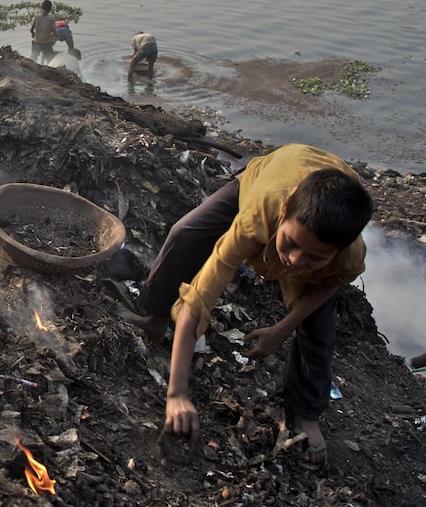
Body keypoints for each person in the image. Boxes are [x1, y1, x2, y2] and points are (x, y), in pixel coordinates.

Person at [105, 144, 374, 468]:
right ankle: (155, 319)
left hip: (322, 194)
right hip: (269, 175)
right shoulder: (258, 214)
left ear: (340, 249)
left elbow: (330, 285)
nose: (294, 259)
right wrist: (176, 394)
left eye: (315, 257)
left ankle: (307, 413)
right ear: (285, 210)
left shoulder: (348, 254)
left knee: (318, 323)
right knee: (185, 234)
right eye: (290, 244)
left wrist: (281, 329)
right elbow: (200, 298)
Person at [29, 0, 59, 64]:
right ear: (50, 9)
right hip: (46, 43)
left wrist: (33, 34)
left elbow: (31, 29)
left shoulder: (37, 16)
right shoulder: (51, 18)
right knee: (50, 60)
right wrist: (55, 37)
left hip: (37, 41)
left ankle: (31, 70)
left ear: (41, 7)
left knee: (33, 58)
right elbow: (54, 31)